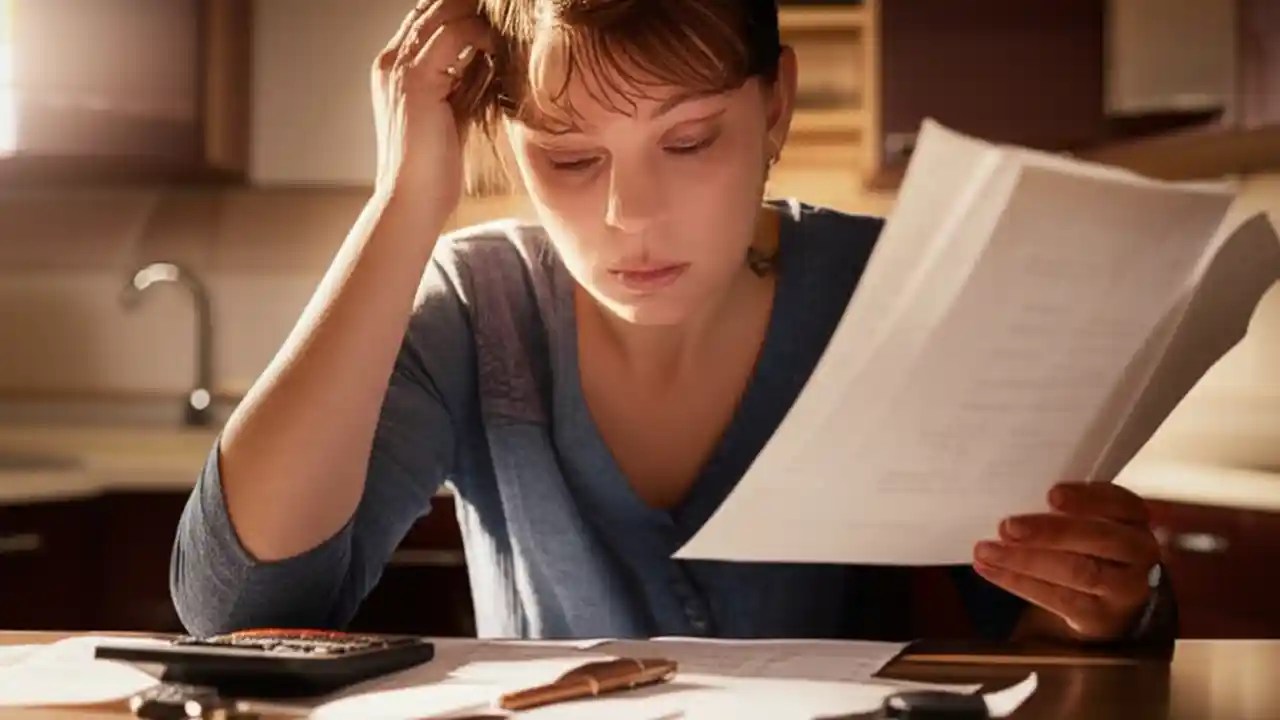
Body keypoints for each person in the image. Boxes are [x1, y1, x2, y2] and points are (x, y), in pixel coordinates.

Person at [171, 0, 1169, 643]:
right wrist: (402, 205)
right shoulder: (479, 307)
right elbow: (236, 608)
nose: (628, 217)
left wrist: (1113, 604)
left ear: (773, 108)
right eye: (568, 160)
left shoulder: (894, 291)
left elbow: (1045, 635)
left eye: (688, 141)